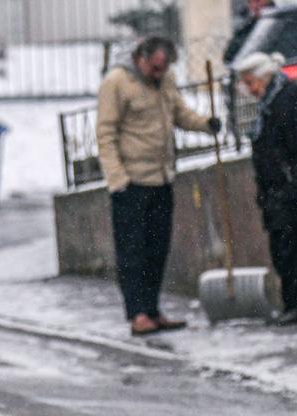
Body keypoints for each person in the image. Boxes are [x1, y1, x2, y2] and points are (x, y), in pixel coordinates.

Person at [97, 36, 223, 336]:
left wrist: (206, 124)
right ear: (141, 58)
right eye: (154, 67)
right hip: (131, 183)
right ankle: (137, 314)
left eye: (164, 67)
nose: (159, 73)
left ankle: (152, 310)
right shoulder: (117, 82)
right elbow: (105, 133)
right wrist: (118, 179)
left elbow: (179, 113)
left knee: (157, 250)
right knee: (133, 252)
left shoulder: (166, 80)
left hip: (162, 178)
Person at [236, 51, 297, 324]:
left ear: (265, 77)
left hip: (290, 190)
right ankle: (292, 304)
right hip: (278, 191)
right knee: (283, 249)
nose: (249, 90)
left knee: (293, 249)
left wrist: (294, 185)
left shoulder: (288, 99)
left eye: (251, 83)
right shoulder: (272, 102)